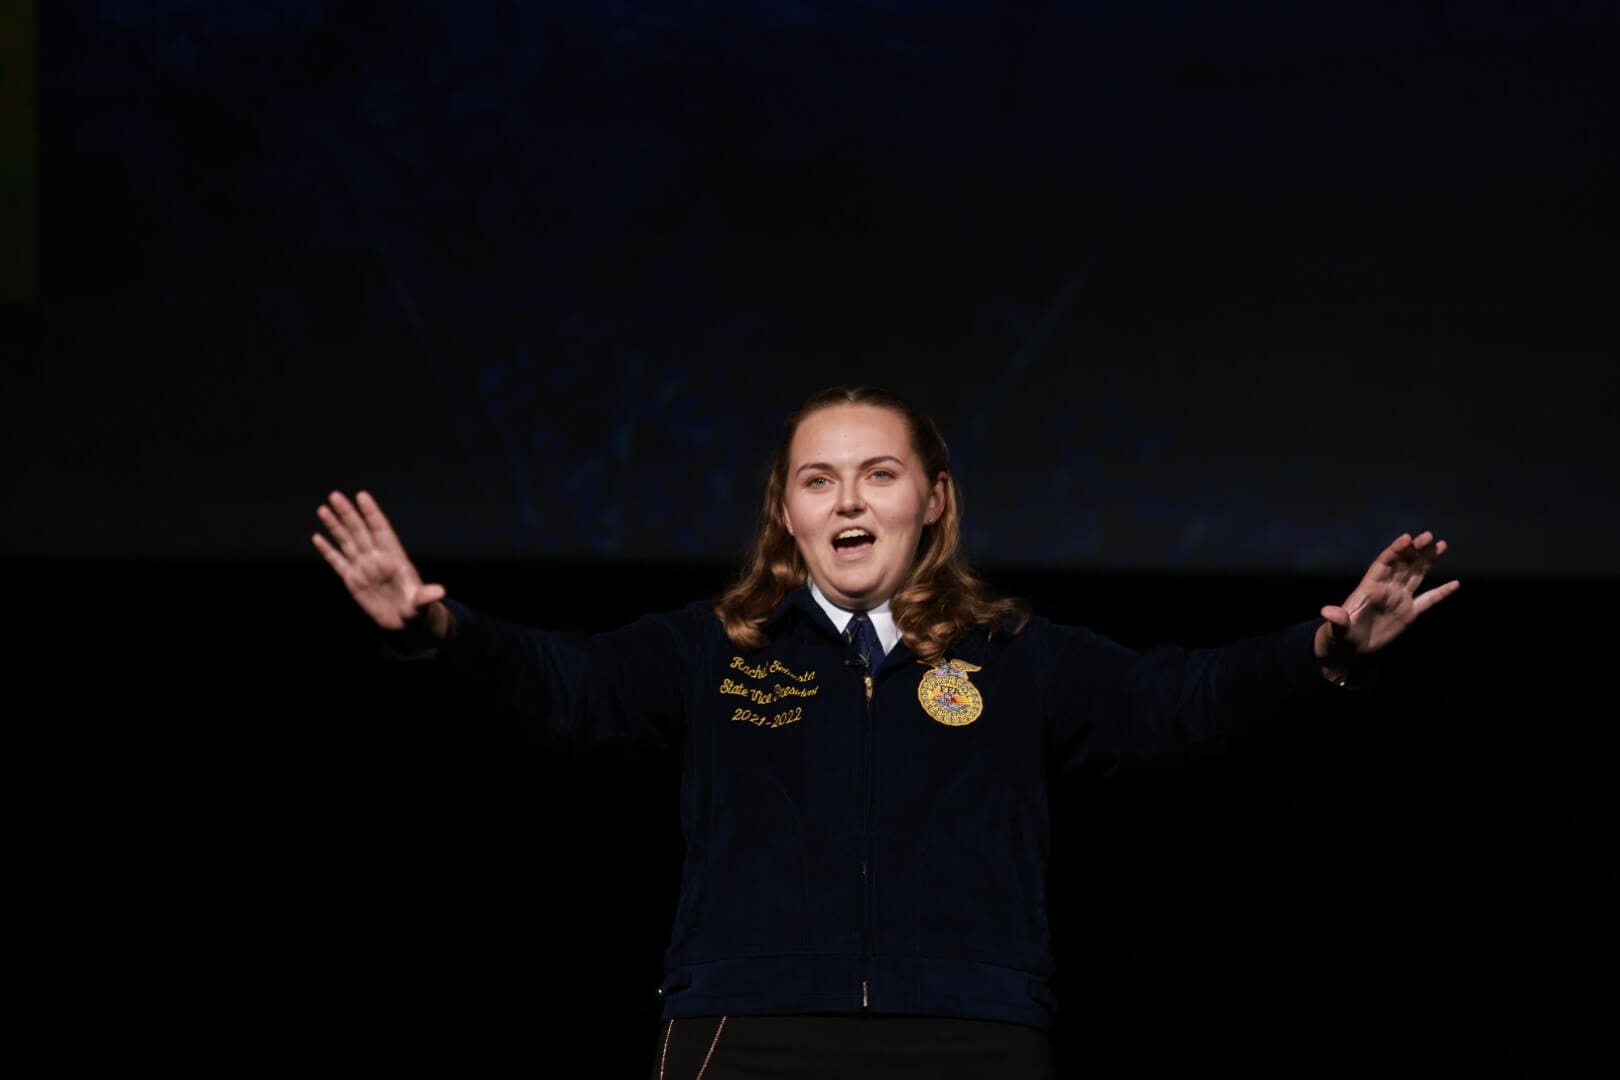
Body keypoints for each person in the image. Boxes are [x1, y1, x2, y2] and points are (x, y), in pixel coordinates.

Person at [313, 385, 1457, 1079]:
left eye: (878, 474)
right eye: (818, 480)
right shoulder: (714, 646)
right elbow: (568, 689)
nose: (848, 502)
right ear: (788, 511)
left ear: (934, 499)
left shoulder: (1017, 654)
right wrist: (441, 630)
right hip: (748, 1031)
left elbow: (1175, 702)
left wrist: (1325, 652)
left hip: (972, 1031)